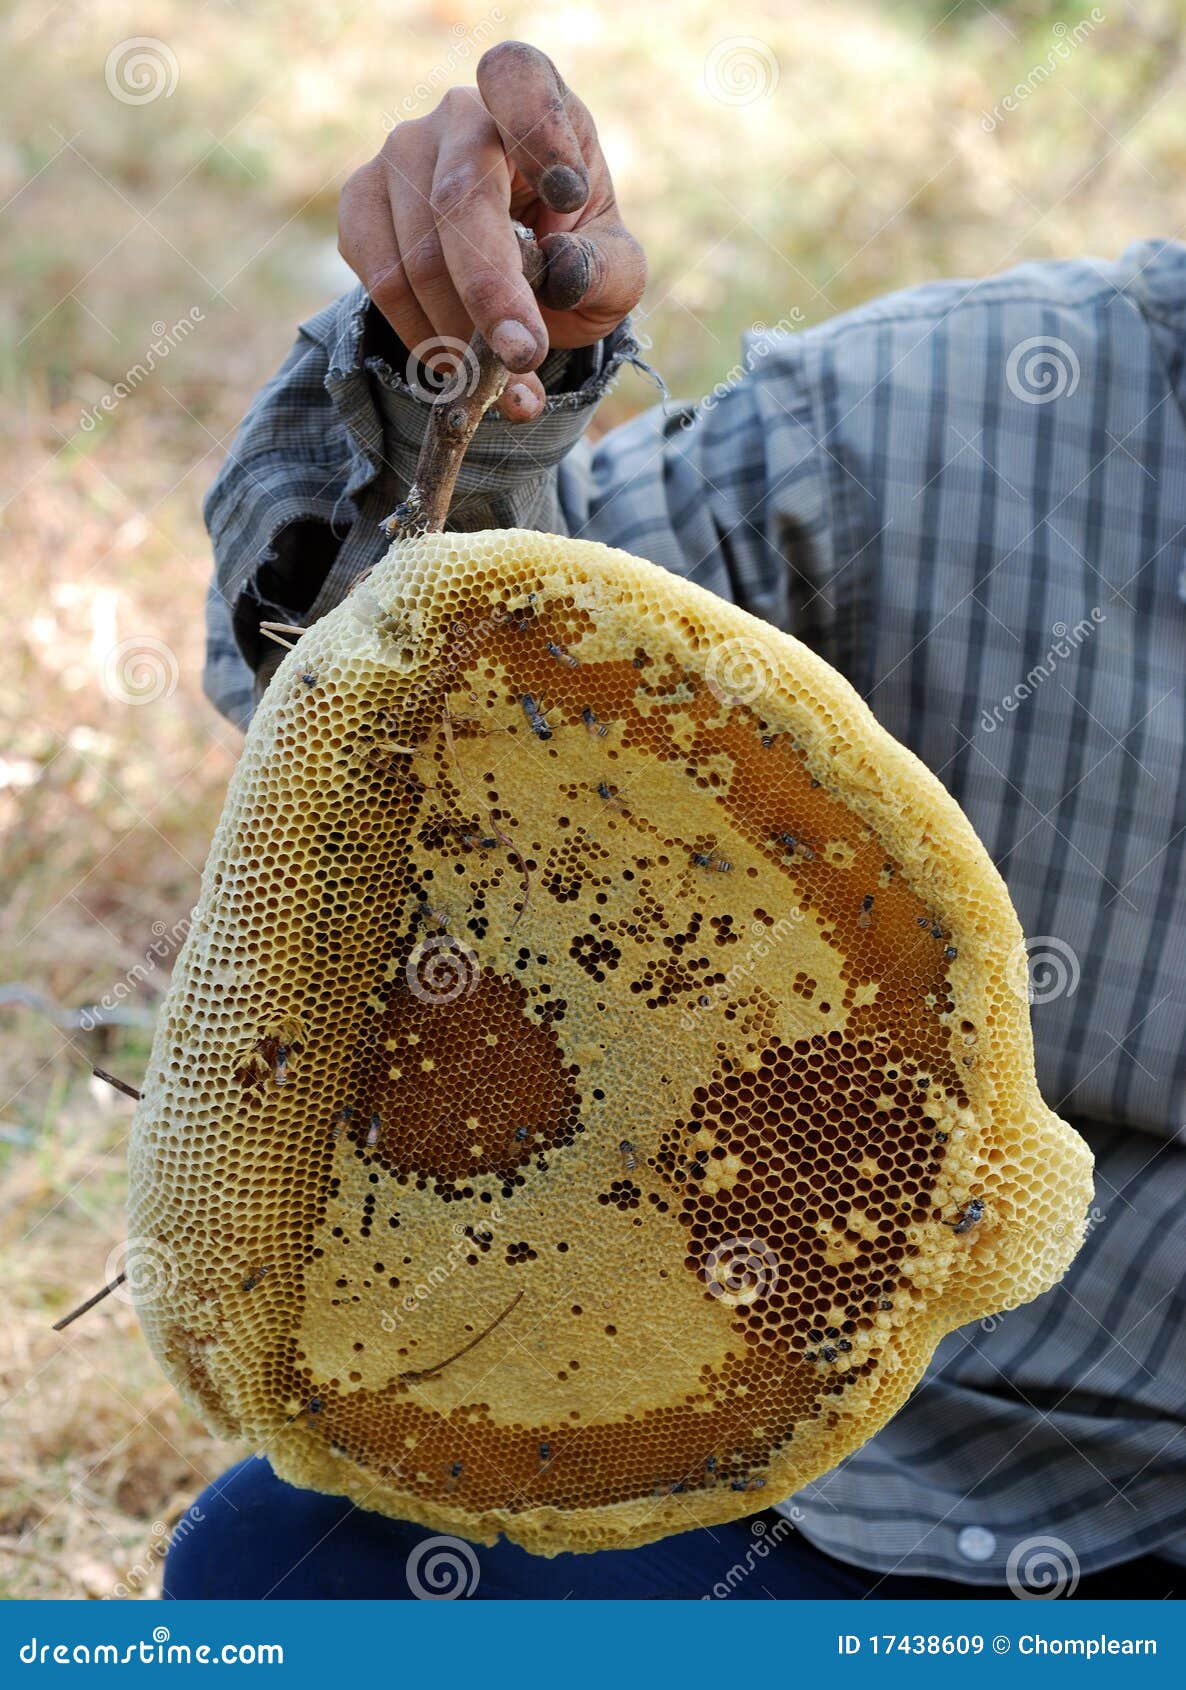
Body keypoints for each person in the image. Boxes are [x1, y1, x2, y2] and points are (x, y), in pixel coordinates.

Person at [174, 41, 1186, 1600]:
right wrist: (451, 386)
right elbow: (386, 696)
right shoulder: (949, 420)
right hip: (866, 1467)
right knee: (284, 1577)